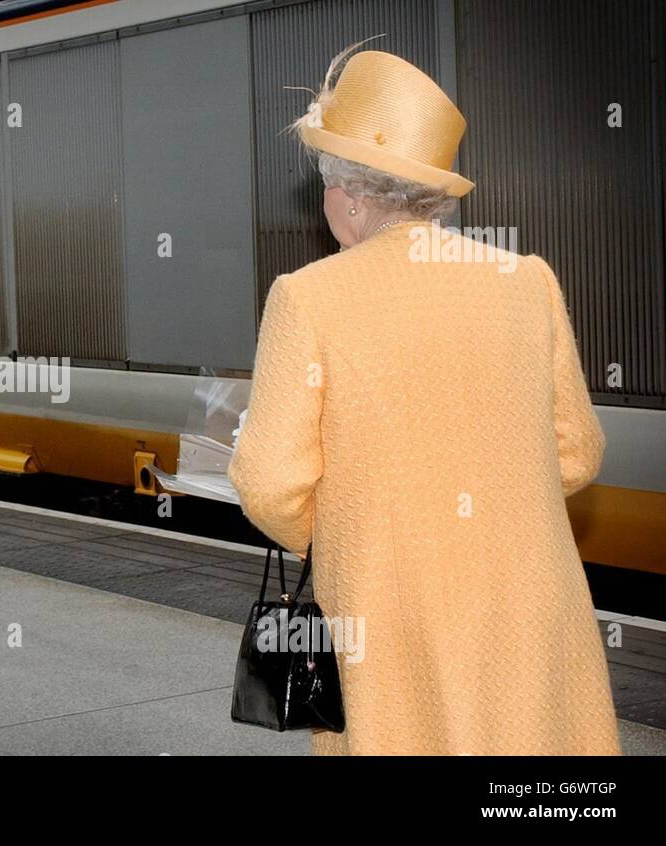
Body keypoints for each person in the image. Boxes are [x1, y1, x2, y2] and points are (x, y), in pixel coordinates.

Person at [227, 48, 620, 755]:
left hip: (388, 606)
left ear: (349, 196)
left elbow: (269, 483)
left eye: (325, 187)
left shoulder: (308, 297)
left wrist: (360, 527)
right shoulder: (528, 281)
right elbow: (577, 453)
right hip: (529, 602)